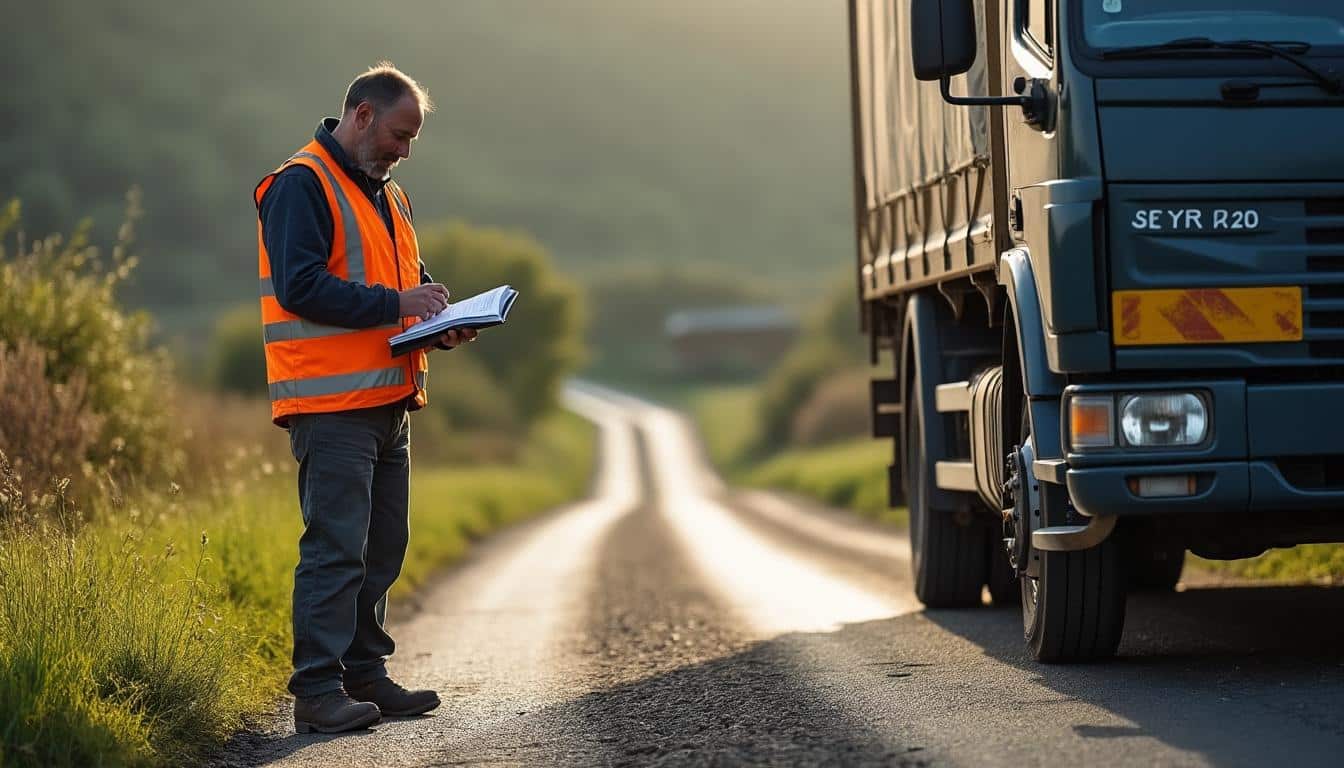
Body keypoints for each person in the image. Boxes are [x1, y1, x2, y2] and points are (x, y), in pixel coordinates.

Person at [255, 61, 476, 734]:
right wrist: (398, 303)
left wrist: (439, 319)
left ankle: (364, 675)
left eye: (412, 140)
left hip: (388, 402)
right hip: (331, 409)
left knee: (382, 548)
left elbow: (409, 280)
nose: (404, 150)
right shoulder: (301, 185)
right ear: (361, 115)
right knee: (336, 549)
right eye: (399, 135)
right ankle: (318, 693)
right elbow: (301, 287)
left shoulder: (389, 194)